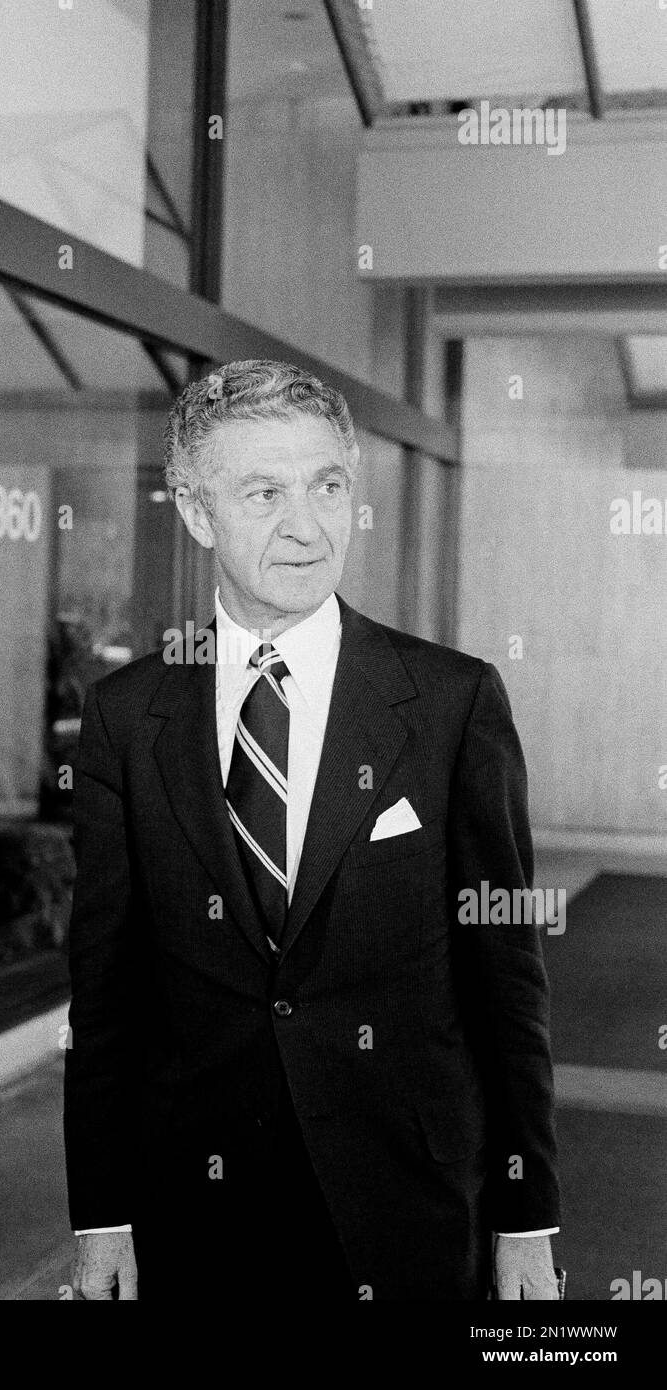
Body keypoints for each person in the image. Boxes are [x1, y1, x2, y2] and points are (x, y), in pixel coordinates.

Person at [63, 359, 561, 1302]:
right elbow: (107, 992)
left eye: (326, 486)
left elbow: (507, 978)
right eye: (263, 493)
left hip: (407, 1202)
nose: (307, 525)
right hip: (195, 1208)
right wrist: (103, 1213)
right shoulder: (128, 717)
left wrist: (524, 1215)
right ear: (197, 513)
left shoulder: (450, 702)